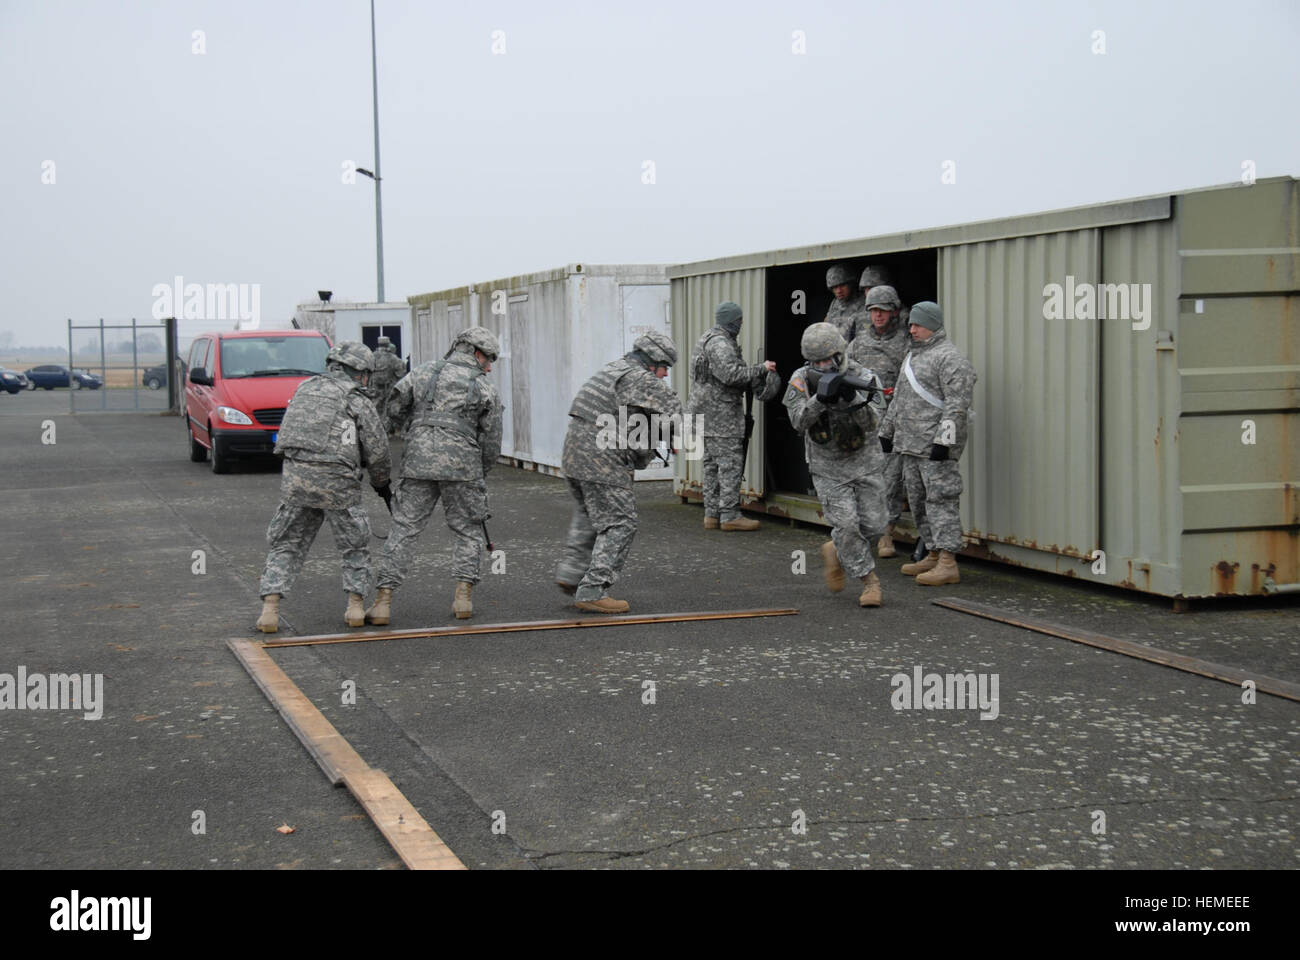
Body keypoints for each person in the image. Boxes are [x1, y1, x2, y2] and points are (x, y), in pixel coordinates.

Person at [369, 326, 503, 622]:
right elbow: (492, 441)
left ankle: (382, 602)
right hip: (463, 467)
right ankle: (463, 599)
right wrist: (478, 472)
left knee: (404, 529)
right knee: (468, 530)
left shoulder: (421, 372)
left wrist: (414, 431)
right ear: (476, 352)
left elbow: (392, 408)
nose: (490, 367)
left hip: (418, 463)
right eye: (489, 359)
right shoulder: (484, 388)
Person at [256, 341, 391, 633]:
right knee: (354, 546)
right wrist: (382, 484)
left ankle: (270, 610)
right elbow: (377, 450)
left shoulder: (304, 389)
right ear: (359, 372)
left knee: (287, 545)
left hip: (297, 480)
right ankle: (355, 608)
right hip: (338, 484)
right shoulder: (356, 399)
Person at [556, 330, 683, 613]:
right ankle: (592, 590)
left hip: (573, 455)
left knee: (590, 514)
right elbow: (676, 415)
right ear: (653, 361)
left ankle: (572, 574)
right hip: (601, 458)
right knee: (621, 522)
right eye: (665, 368)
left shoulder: (612, 370)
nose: (664, 375)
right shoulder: (641, 378)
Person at [782, 322, 888, 607]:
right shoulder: (801, 380)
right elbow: (797, 422)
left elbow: (875, 423)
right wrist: (819, 400)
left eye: (827, 359)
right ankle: (870, 582)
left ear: (840, 354)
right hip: (828, 468)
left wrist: (852, 399)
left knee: (876, 526)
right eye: (816, 361)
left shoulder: (864, 377)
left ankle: (836, 551)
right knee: (847, 526)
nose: (823, 366)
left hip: (865, 463)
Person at [878, 302, 977, 585]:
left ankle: (948, 562)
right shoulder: (912, 357)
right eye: (910, 324)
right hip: (909, 445)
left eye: (917, 324)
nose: (912, 329)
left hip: (935, 449)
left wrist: (944, 442)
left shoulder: (950, 358)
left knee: (941, 501)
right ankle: (932, 553)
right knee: (919, 503)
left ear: (933, 324)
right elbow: (898, 399)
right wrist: (887, 432)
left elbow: (957, 405)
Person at [686, 301, 780, 531]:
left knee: (711, 465)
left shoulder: (708, 337)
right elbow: (731, 375)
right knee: (728, 465)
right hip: (721, 416)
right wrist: (762, 368)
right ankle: (729, 516)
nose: (741, 324)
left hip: (705, 413)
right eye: (739, 321)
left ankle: (712, 515)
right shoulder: (720, 343)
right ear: (734, 322)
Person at [848, 284, 910, 557]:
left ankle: (887, 535)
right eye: (873, 310)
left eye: (883, 310)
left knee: (891, 479)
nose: (878, 316)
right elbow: (843, 372)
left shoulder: (906, 342)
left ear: (894, 311)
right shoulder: (859, 342)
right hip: (864, 420)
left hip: (894, 421)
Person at [368, 336, 407, 429]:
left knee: (374, 408)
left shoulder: (371, 357)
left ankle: (373, 428)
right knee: (388, 409)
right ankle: (387, 430)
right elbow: (401, 372)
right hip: (388, 388)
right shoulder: (393, 358)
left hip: (373, 388)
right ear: (388, 344)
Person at [823, 263, 867, 344]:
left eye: (842, 285)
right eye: (835, 287)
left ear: (851, 283)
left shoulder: (863, 303)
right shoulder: (834, 304)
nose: (839, 291)